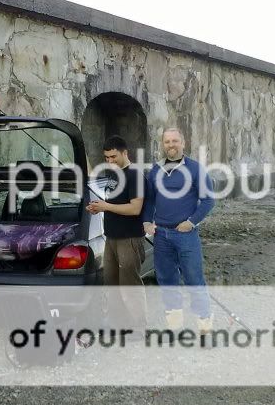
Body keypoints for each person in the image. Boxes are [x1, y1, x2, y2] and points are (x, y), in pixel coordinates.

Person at [142, 127, 215, 337]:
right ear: (162, 145)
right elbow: (150, 200)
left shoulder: (195, 169)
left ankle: (205, 328)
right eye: (167, 142)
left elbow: (209, 200)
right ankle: (174, 326)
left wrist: (192, 222)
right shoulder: (156, 170)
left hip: (185, 235)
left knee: (194, 279)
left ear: (183, 143)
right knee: (166, 280)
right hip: (161, 235)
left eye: (175, 141)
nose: (171, 145)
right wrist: (147, 221)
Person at [86, 135, 148, 332]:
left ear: (124, 153)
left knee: (129, 285)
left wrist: (106, 206)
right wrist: (99, 208)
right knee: (112, 283)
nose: (110, 161)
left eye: (113, 157)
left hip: (129, 238)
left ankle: (138, 327)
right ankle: (119, 324)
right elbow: (112, 205)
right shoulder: (113, 174)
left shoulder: (135, 175)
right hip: (111, 237)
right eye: (106, 158)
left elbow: (135, 208)